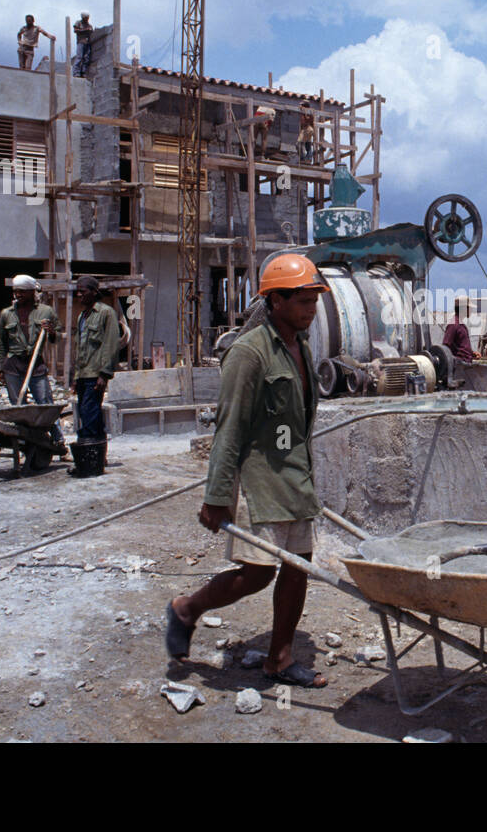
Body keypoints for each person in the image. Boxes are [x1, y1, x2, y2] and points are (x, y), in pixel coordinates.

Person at [165, 254, 330, 689]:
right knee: (257, 572)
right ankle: (186, 608)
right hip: (261, 483)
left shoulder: (301, 347)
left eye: (314, 299)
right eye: (302, 299)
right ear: (275, 300)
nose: (311, 308)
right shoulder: (248, 353)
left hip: (295, 478)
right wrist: (217, 495)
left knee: (299, 568)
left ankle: (280, 659)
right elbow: (230, 426)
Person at [0, 274, 66, 455]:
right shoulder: (6, 314)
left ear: (33, 292)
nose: (18, 295)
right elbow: (0, 342)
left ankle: (58, 441)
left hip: (36, 365)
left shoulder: (46, 312)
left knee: (46, 404)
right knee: (18, 407)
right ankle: (25, 442)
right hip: (13, 365)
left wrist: (51, 332)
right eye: (15, 291)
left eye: (22, 291)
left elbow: (57, 336)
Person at [70, 275, 119, 471]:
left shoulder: (106, 313)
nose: (80, 294)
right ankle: (97, 459)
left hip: (95, 374)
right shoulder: (82, 316)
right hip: (83, 374)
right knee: (91, 416)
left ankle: (87, 460)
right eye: (78, 291)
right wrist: (75, 378)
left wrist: (104, 373)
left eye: (83, 291)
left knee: (89, 416)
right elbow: (79, 349)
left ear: (94, 292)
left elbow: (111, 344)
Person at [442, 295, 478, 361]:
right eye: (469, 308)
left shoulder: (460, 324)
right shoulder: (453, 325)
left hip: (465, 365)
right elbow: (446, 346)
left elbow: (460, 347)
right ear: (464, 308)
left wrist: (471, 353)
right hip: (459, 366)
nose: (471, 310)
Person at [72, 12, 93, 77]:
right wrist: (85, 30)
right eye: (86, 18)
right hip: (81, 42)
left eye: (88, 18)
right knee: (79, 57)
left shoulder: (89, 25)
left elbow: (92, 33)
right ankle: (76, 73)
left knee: (86, 58)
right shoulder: (78, 23)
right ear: (83, 18)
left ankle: (83, 72)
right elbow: (75, 30)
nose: (87, 19)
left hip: (87, 43)